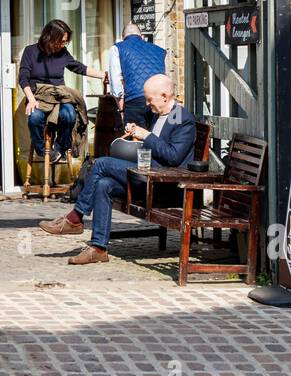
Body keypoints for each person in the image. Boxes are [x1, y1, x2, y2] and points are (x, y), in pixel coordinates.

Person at [38, 74, 196, 264]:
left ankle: (75, 218)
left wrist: (146, 136)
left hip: (163, 184)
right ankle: (98, 248)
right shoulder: (160, 114)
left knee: (102, 163)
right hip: (147, 175)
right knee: (104, 184)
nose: (147, 104)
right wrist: (136, 132)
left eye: (149, 98)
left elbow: (173, 156)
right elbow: (157, 145)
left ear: (164, 96)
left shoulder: (180, 116)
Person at [20, 19, 106, 163]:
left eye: (65, 42)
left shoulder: (62, 53)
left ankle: (60, 148)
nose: (62, 45)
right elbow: (23, 78)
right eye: (60, 41)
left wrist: (103, 75)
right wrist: (31, 99)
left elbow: (79, 67)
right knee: (34, 118)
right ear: (49, 37)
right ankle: (42, 151)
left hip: (59, 96)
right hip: (39, 97)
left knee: (69, 114)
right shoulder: (30, 51)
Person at [105, 22, 166, 130]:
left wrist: (121, 110)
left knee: (135, 142)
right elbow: (165, 78)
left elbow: (116, 85)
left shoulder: (117, 48)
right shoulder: (160, 50)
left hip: (136, 101)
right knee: (156, 139)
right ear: (141, 36)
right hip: (160, 100)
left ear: (123, 37)